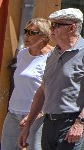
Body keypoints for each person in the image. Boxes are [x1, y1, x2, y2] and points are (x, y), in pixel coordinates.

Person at [19, 8, 84, 150]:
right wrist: (28, 126)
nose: (51, 29)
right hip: (49, 121)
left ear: (72, 28)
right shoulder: (53, 53)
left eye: (56, 25)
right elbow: (42, 90)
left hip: (71, 121)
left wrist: (80, 122)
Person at [2, 19, 52, 150]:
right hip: (13, 113)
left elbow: (53, 90)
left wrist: (36, 114)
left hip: (36, 116)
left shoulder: (52, 57)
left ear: (44, 36)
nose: (26, 36)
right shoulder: (22, 54)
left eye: (32, 32)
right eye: (25, 31)